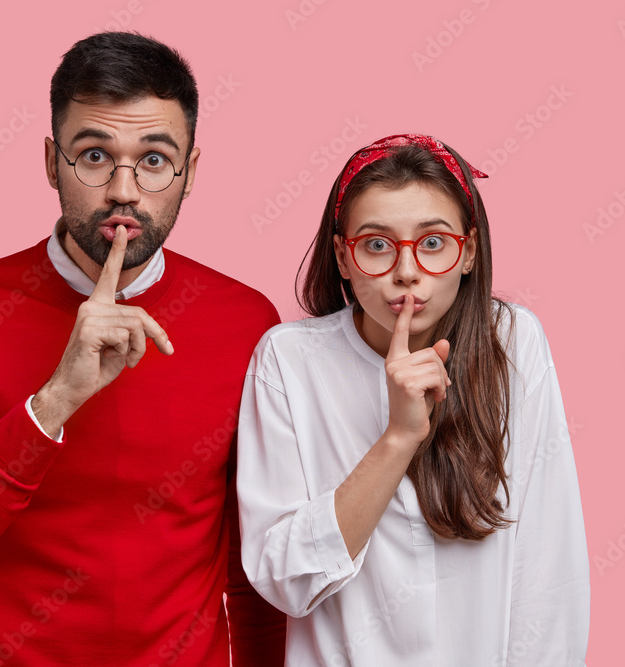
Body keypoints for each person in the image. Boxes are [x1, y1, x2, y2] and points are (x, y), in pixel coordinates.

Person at [0, 32, 285, 667]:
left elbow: (255, 570)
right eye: (94, 156)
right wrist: (53, 402)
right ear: (50, 162)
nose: (123, 191)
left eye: (154, 159)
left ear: (190, 172)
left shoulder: (246, 321)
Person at [237, 134, 589, 665]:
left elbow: (547, 566)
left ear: (469, 251)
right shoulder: (289, 360)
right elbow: (283, 577)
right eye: (377, 245)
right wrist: (399, 438)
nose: (407, 270)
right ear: (343, 257)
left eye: (433, 242)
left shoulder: (513, 342)